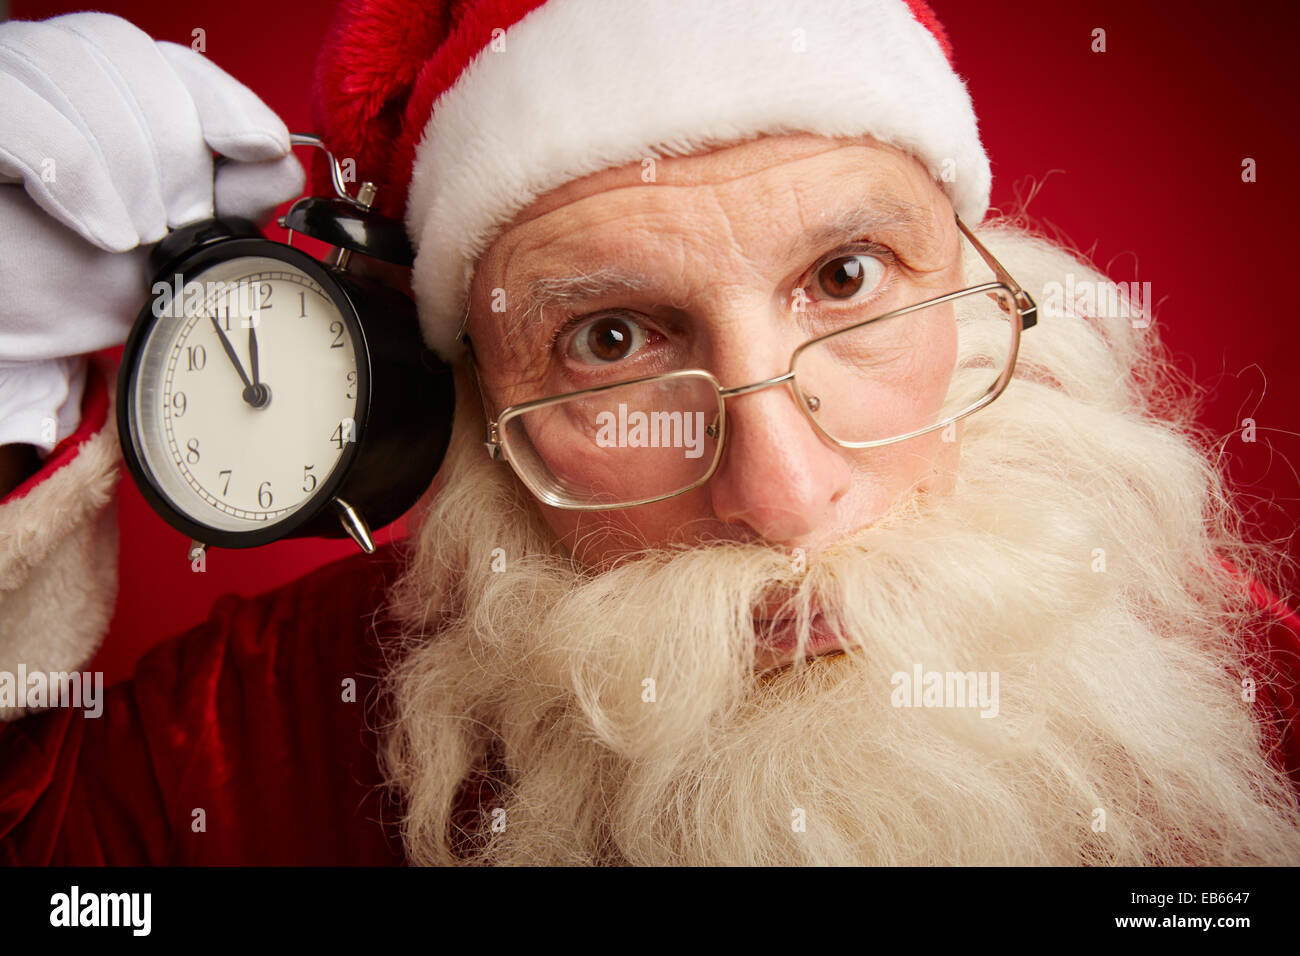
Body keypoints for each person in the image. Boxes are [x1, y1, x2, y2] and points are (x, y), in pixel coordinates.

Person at [2, 0, 1299, 866]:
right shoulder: (270, 720)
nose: (782, 498)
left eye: (846, 278)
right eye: (612, 340)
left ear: (983, 281)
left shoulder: (1235, 671)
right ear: (476, 410)